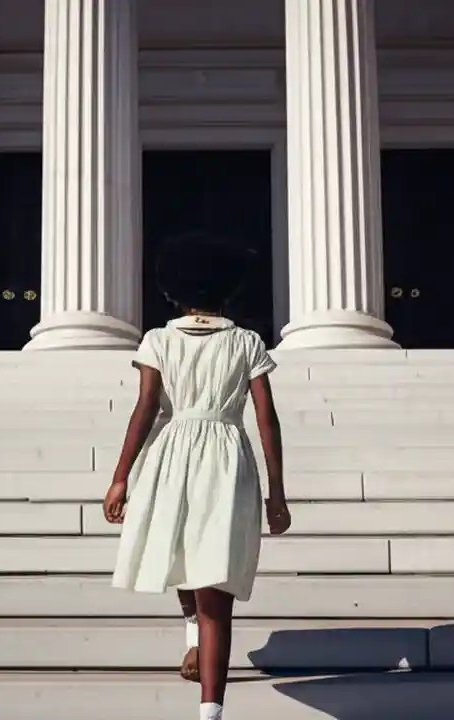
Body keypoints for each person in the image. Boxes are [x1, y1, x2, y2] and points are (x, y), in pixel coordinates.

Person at [104, 233, 291, 720]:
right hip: (228, 455)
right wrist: (278, 492)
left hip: (172, 451)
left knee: (187, 554)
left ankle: (197, 653)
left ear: (173, 291)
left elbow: (145, 409)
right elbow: (266, 419)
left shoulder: (158, 340)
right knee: (212, 575)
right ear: (228, 290)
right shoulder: (247, 341)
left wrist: (121, 477)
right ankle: (210, 705)